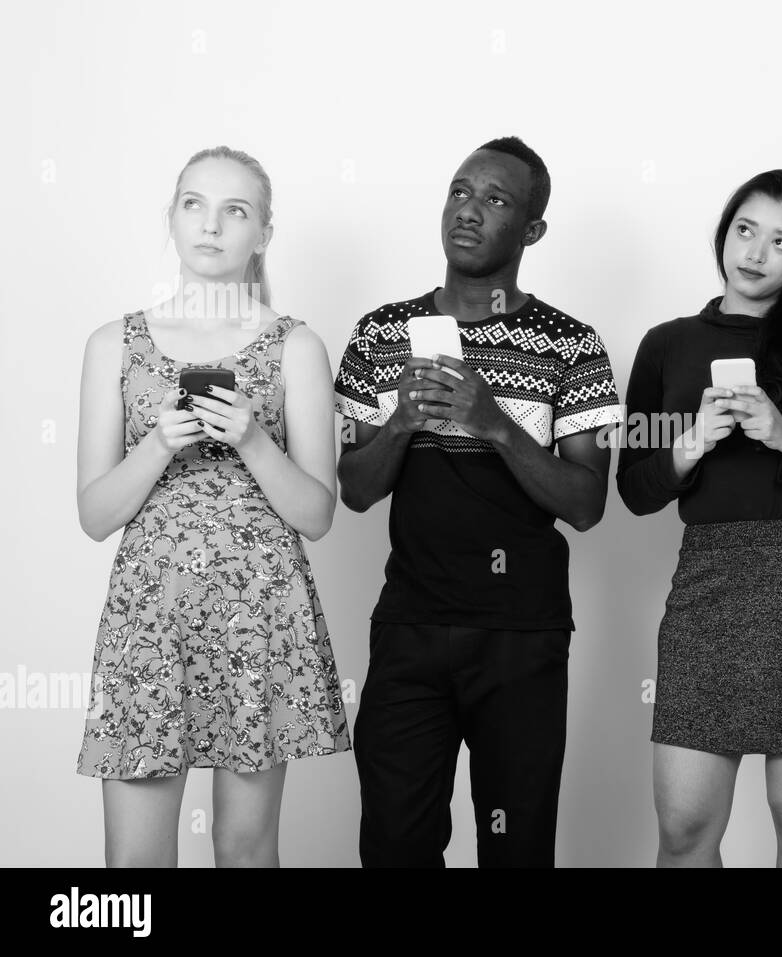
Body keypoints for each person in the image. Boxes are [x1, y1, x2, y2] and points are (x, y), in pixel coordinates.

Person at [334, 136, 623, 868]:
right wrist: (401, 421)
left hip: (521, 634)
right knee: (396, 844)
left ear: (532, 230)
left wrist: (493, 422)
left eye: (496, 200)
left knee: (515, 848)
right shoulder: (380, 333)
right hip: (410, 626)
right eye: (460, 192)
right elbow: (356, 489)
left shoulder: (571, 345)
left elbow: (587, 502)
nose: (468, 210)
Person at [76, 146, 351, 867]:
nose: (211, 224)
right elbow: (95, 516)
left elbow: (317, 515)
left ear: (263, 232)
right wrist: (158, 445)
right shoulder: (114, 344)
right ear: (171, 216)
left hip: (261, 611)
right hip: (150, 613)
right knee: (135, 862)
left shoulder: (296, 346)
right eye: (194, 204)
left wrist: (253, 439)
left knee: (245, 849)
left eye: (236, 210)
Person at [617, 170, 782, 867]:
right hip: (708, 585)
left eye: (781, 242)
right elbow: (634, 492)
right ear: (724, 232)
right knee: (684, 829)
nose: (756, 253)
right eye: (745, 230)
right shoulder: (667, 344)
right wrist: (692, 443)